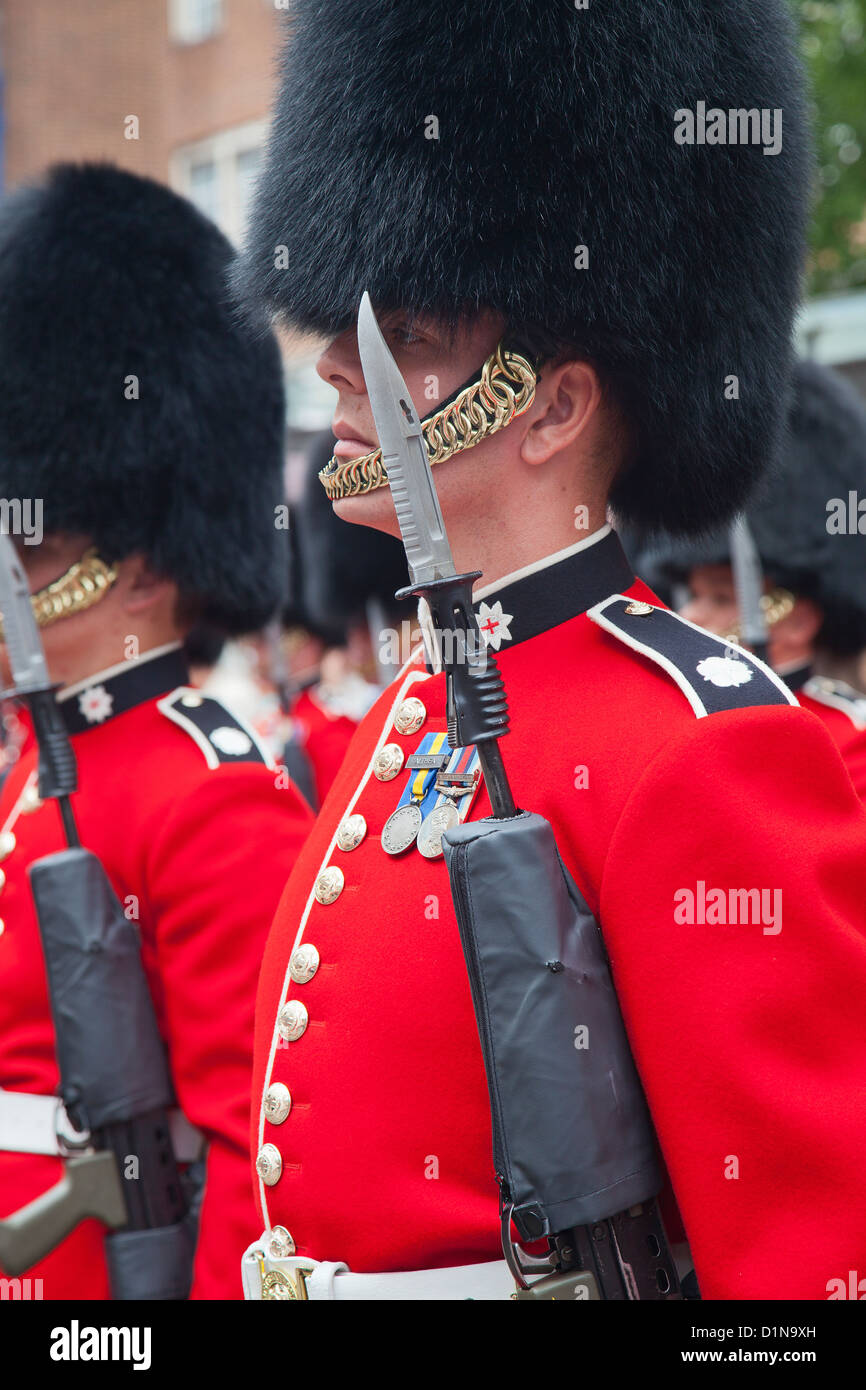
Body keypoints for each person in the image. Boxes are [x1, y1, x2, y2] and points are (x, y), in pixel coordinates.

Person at [238, 1, 866, 1300]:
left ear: (551, 404)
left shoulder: (697, 746)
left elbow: (799, 1266)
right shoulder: (401, 715)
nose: (340, 375)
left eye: (404, 336)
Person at [0, 163, 312, 1299]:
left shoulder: (208, 791)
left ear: (135, 560)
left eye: (28, 556)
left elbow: (257, 1147)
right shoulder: (37, 764)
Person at [635, 360, 866, 799]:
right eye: (695, 595)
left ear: (797, 622)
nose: (690, 615)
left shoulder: (848, 739)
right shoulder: (681, 732)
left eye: (721, 599)